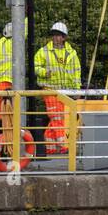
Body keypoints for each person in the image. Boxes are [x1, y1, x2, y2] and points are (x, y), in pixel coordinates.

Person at [33, 21, 81, 155]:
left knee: (55, 119)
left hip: (65, 91)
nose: (56, 38)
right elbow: (35, 67)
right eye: (54, 35)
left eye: (59, 35)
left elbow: (76, 72)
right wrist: (44, 72)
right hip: (50, 90)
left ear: (64, 37)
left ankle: (50, 146)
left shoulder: (72, 53)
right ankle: (62, 145)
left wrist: (77, 90)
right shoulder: (43, 52)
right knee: (57, 118)